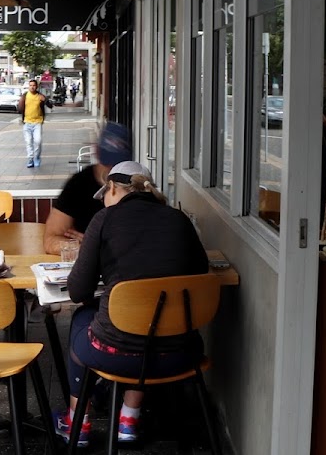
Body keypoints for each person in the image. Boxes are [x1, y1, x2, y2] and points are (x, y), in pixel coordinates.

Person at [54, 161, 210, 447]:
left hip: (117, 355)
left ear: (112, 188)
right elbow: (201, 270)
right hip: (181, 353)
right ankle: (129, 417)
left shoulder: (104, 220)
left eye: (105, 195)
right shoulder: (178, 219)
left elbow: (77, 291)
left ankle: (78, 420)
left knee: (82, 319)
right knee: (149, 320)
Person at [43, 122, 132, 255]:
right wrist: (86, 248)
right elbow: (50, 240)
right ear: (96, 152)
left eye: (118, 164)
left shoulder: (138, 184)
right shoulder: (78, 185)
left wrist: (94, 247)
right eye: (106, 162)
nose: (111, 169)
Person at [18, 79, 52, 168]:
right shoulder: (25, 96)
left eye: (34, 85)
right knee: (28, 142)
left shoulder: (40, 96)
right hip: (27, 122)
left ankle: (36, 157)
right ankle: (30, 159)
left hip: (37, 123)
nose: (32, 87)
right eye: (30, 85)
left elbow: (50, 105)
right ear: (28, 86)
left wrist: (45, 100)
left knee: (38, 141)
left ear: (36, 87)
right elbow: (20, 108)